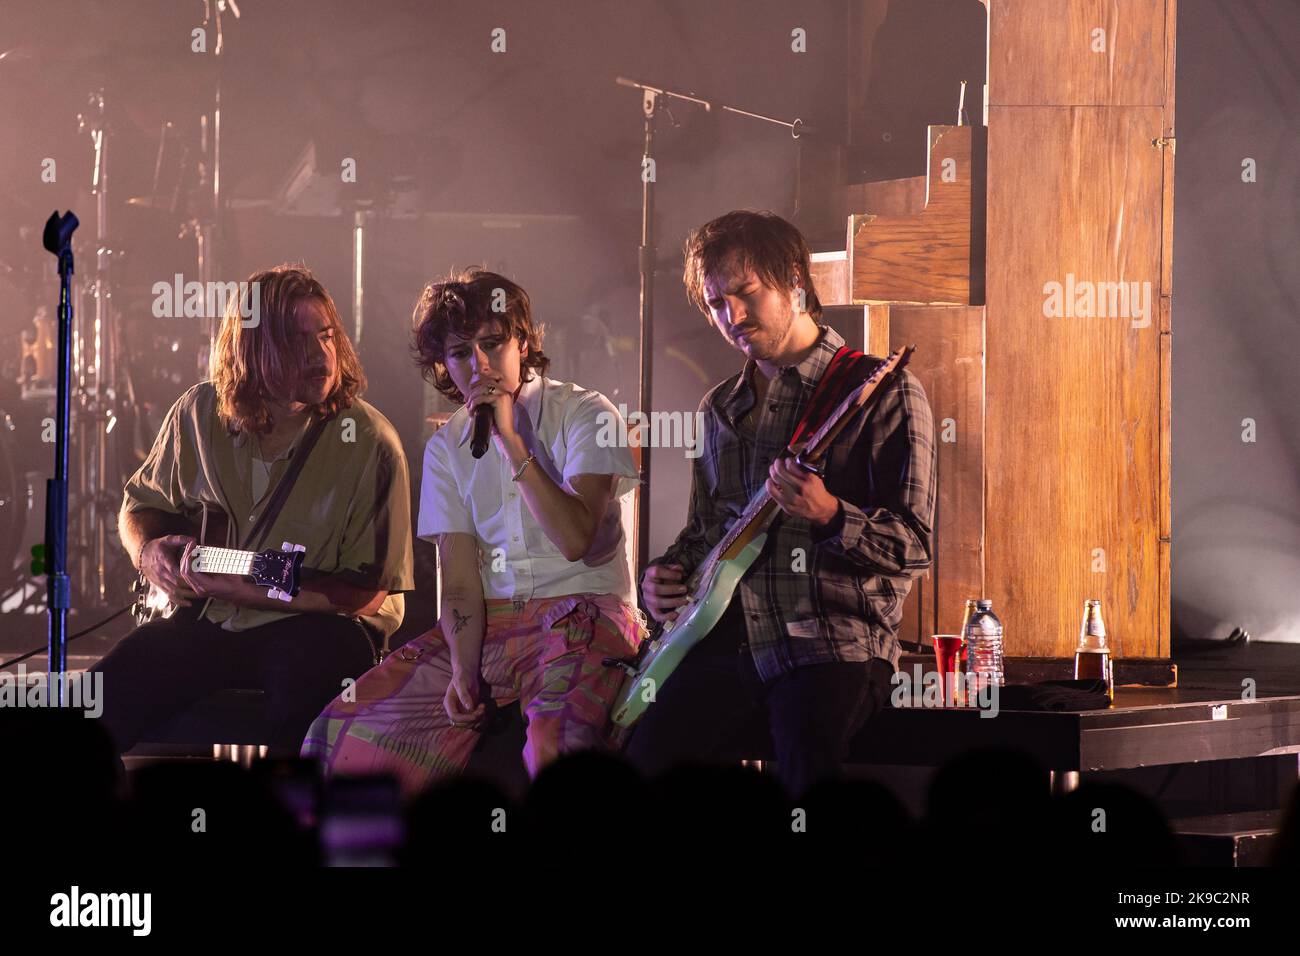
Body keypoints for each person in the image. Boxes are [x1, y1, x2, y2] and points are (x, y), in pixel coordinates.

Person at [625, 210, 937, 797]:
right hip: (727, 644)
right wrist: (663, 576)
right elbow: (707, 532)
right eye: (717, 303)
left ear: (794, 276)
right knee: (639, 767)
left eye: (746, 292)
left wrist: (831, 516)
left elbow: (915, 546)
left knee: (807, 772)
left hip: (831, 643)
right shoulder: (720, 407)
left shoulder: (881, 389)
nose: (733, 316)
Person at [302, 268, 644, 797]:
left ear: (523, 342)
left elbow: (575, 539)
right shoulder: (446, 447)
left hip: (583, 613)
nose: (479, 364)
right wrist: (464, 672)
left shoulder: (584, 413)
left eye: (493, 343)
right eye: (462, 352)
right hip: (496, 623)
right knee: (338, 735)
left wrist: (510, 440)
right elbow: (460, 584)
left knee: (557, 748)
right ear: (444, 364)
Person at [92, 264, 414, 758]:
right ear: (250, 347)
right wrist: (150, 551)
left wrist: (240, 584)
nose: (320, 354)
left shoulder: (371, 442)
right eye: (295, 340)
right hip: (215, 618)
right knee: (93, 706)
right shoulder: (198, 413)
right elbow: (142, 506)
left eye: (326, 336)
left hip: (320, 625)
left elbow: (365, 593)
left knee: (317, 687)